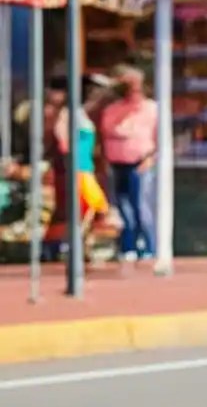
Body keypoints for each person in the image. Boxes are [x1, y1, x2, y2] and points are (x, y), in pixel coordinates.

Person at [43, 75, 110, 260]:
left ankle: (77, 242)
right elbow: (62, 136)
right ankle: (69, 243)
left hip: (84, 165)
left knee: (89, 207)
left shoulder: (79, 112)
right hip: (78, 167)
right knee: (90, 205)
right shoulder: (68, 113)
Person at [98, 65, 158, 261]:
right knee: (122, 207)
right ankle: (128, 246)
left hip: (140, 163)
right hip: (117, 164)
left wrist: (151, 158)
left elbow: (160, 138)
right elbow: (106, 132)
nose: (133, 92)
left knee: (141, 206)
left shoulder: (152, 109)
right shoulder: (112, 110)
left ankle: (148, 246)